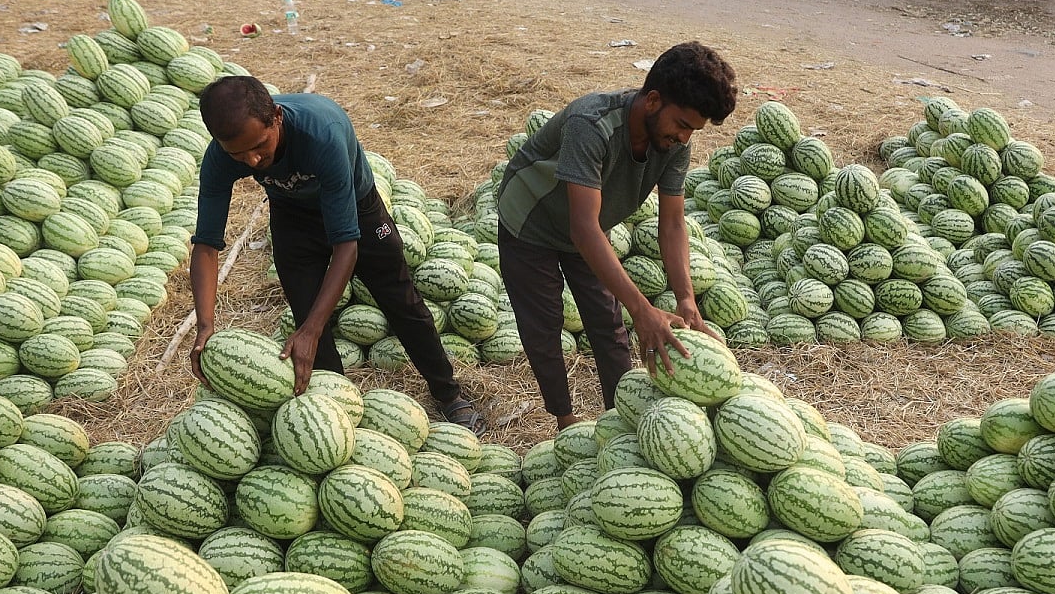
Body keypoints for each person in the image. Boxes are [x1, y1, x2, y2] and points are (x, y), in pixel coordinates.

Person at [189, 76, 486, 435]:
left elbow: (347, 245)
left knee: (401, 300)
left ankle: (448, 393)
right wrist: (205, 325)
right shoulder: (222, 156)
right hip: (293, 217)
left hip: (359, 209)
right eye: (239, 154)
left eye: (260, 146)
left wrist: (311, 331)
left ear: (277, 117)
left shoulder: (321, 133)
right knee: (307, 314)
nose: (253, 161)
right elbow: (206, 244)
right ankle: (338, 415)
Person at [496, 41, 737, 431]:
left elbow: (673, 224)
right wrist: (644, 310)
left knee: (609, 323)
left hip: (587, 223)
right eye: (682, 125)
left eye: (694, 130)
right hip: (531, 221)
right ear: (653, 100)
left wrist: (686, 299)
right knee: (545, 324)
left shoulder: (674, 142)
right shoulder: (591, 125)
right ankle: (565, 420)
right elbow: (584, 229)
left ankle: (620, 414)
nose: (686, 138)